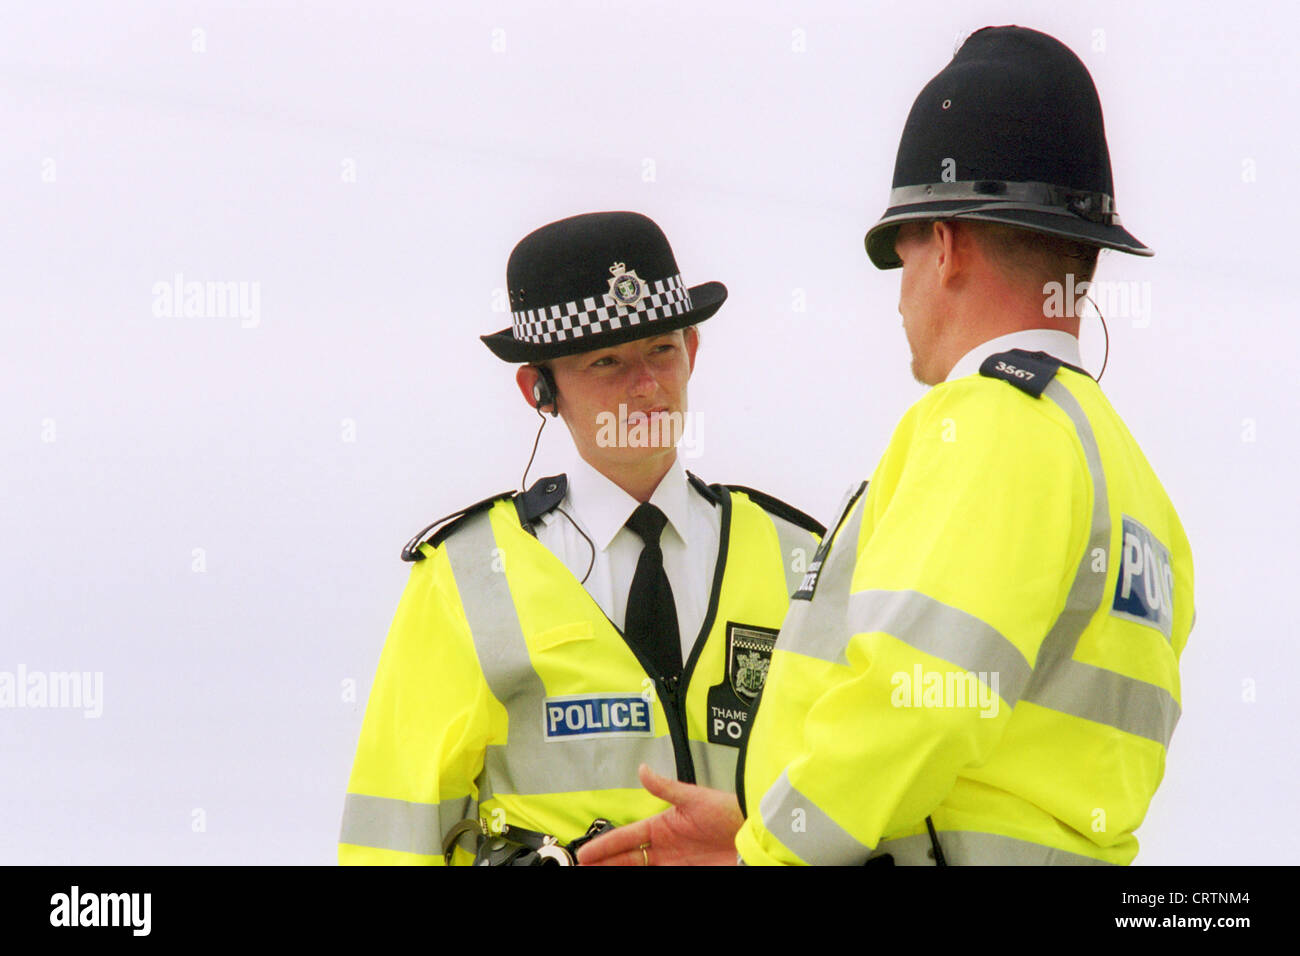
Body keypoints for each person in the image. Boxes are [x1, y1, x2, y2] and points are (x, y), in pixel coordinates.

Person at [579, 26, 1194, 867]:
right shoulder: (1131, 481)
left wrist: (772, 852)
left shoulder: (986, 424)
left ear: (945, 247)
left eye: (900, 256)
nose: (900, 297)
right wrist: (760, 823)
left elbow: (916, 703)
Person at [337, 210, 822, 864]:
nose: (646, 386)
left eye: (661, 349)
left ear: (694, 351)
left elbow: (862, 797)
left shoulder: (802, 558)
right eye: (606, 361)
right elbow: (391, 835)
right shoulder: (467, 575)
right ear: (539, 388)